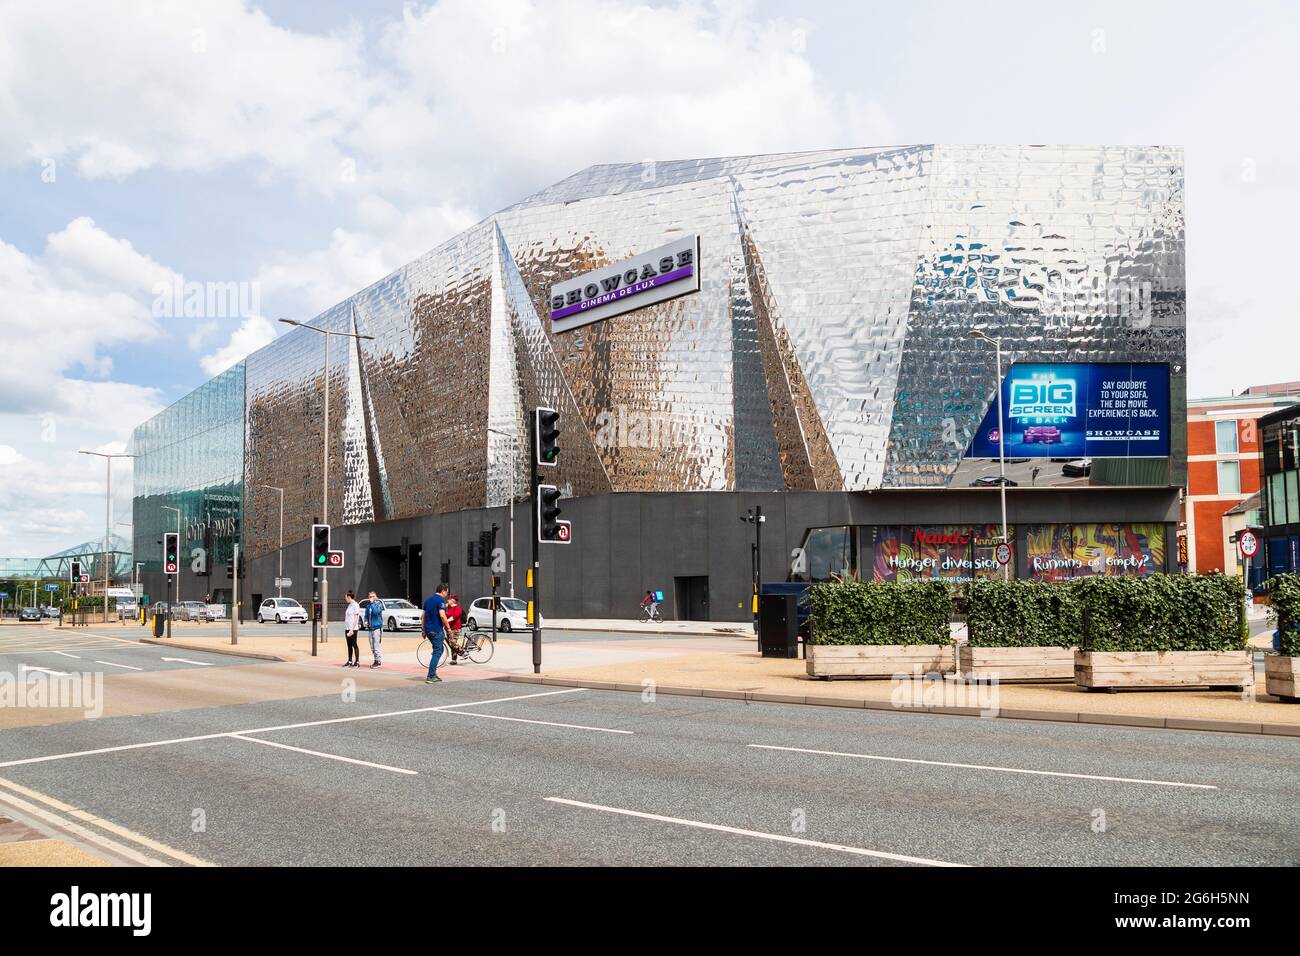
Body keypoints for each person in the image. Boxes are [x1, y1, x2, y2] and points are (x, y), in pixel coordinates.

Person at [422, 583, 451, 684]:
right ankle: (431, 676)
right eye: (447, 591)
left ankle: (433, 673)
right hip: (436, 629)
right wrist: (448, 628)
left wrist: (423, 630)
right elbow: (442, 616)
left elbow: (423, 616)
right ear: (443, 591)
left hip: (428, 630)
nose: (447, 594)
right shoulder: (440, 601)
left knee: (439, 649)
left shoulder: (428, 600)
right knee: (437, 652)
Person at [364, 590, 384, 668]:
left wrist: (373, 603)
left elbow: (376, 612)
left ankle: (378, 661)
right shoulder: (368, 606)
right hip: (370, 628)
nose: (371, 598)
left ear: (375, 597)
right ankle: (375, 659)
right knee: (372, 646)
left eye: (373, 596)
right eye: (370, 597)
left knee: (376, 645)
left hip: (377, 628)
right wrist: (366, 621)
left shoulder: (378, 604)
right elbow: (366, 615)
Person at [343, 591, 362, 667]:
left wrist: (352, 629)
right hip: (347, 628)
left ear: (349, 597)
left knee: (354, 644)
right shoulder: (349, 605)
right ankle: (350, 660)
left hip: (353, 629)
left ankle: (357, 662)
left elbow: (356, 617)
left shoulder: (356, 605)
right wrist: (348, 628)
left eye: (346, 598)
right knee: (349, 645)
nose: (345, 599)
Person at [445, 594, 465, 664]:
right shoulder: (449, 608)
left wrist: (446, 621)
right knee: (451, 644)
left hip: (455, 628)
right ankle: (454, 660)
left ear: (453, 600)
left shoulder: (458, 608)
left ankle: (463, 652)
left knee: (452, 643)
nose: (448, 600)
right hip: (448, 628)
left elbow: (453, 617)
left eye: (449, 599)